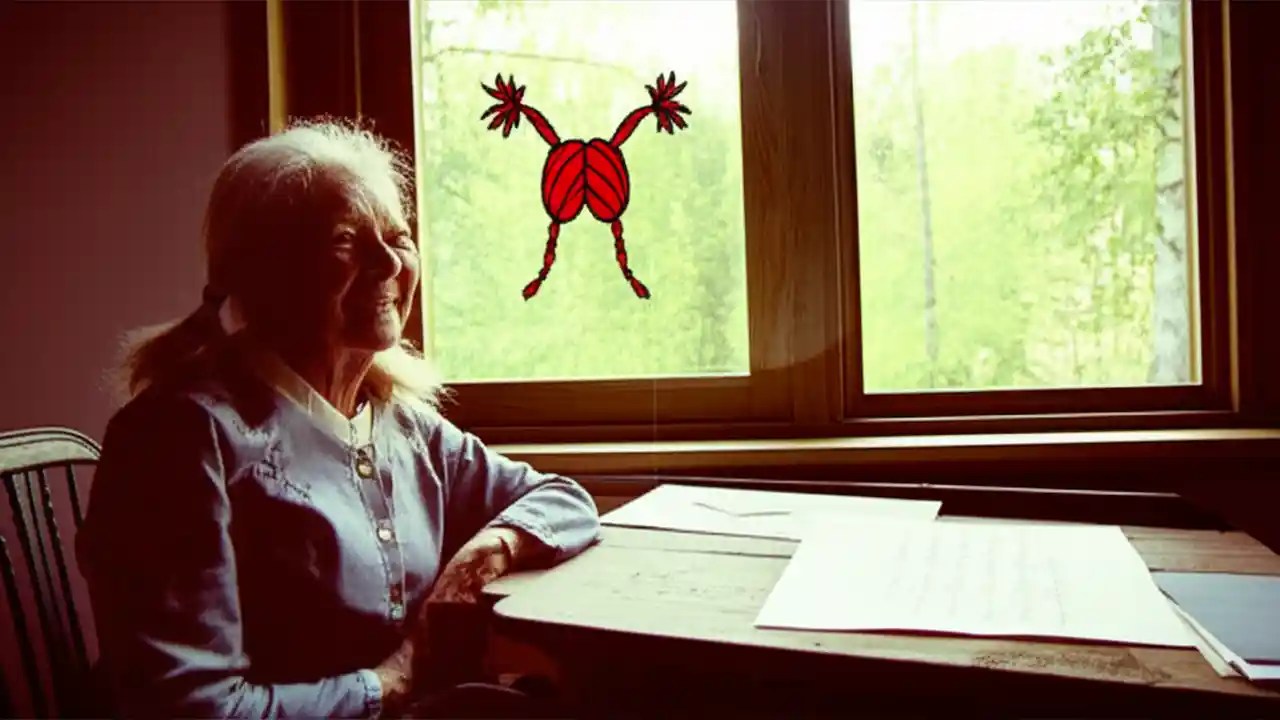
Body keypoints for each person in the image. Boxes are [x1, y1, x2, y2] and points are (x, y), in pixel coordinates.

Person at [75, 120, 601, 718]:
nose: (388, 264)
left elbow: (563, 499)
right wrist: (389, 683)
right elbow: (193, 710)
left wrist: (490, 550)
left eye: (397, 237)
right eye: (345, 241)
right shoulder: (178, 439)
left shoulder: (398, 421)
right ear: (262, 273)